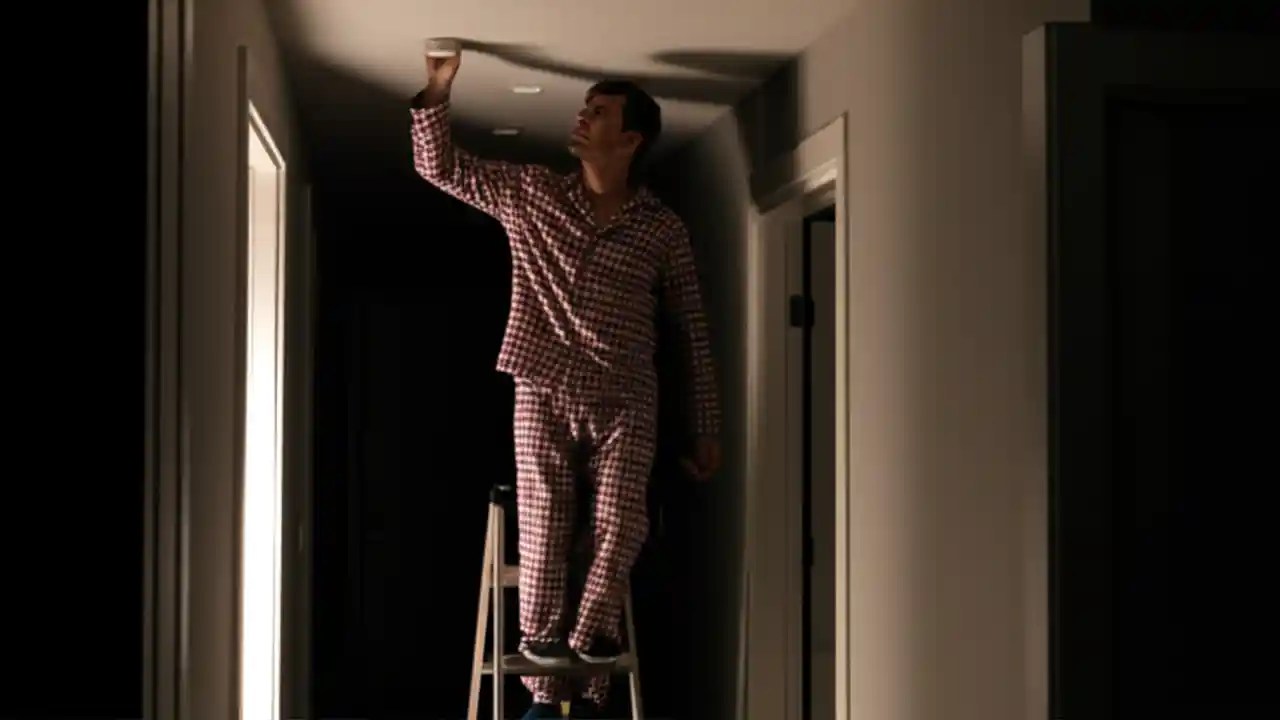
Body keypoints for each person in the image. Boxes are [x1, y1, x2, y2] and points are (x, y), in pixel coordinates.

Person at [410, 48, 722, 719]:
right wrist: (438, 88)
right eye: (584, 109)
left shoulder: (660, 228)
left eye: (599, 112)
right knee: (546, 522)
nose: (582, 118)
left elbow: (692, 331)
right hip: (542, 382)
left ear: (631, 137)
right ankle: (549, 698)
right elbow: (440, 168)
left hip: (627, 394)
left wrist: (706, 427)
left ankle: (586, 656)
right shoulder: (533, 194)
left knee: (619, 524)